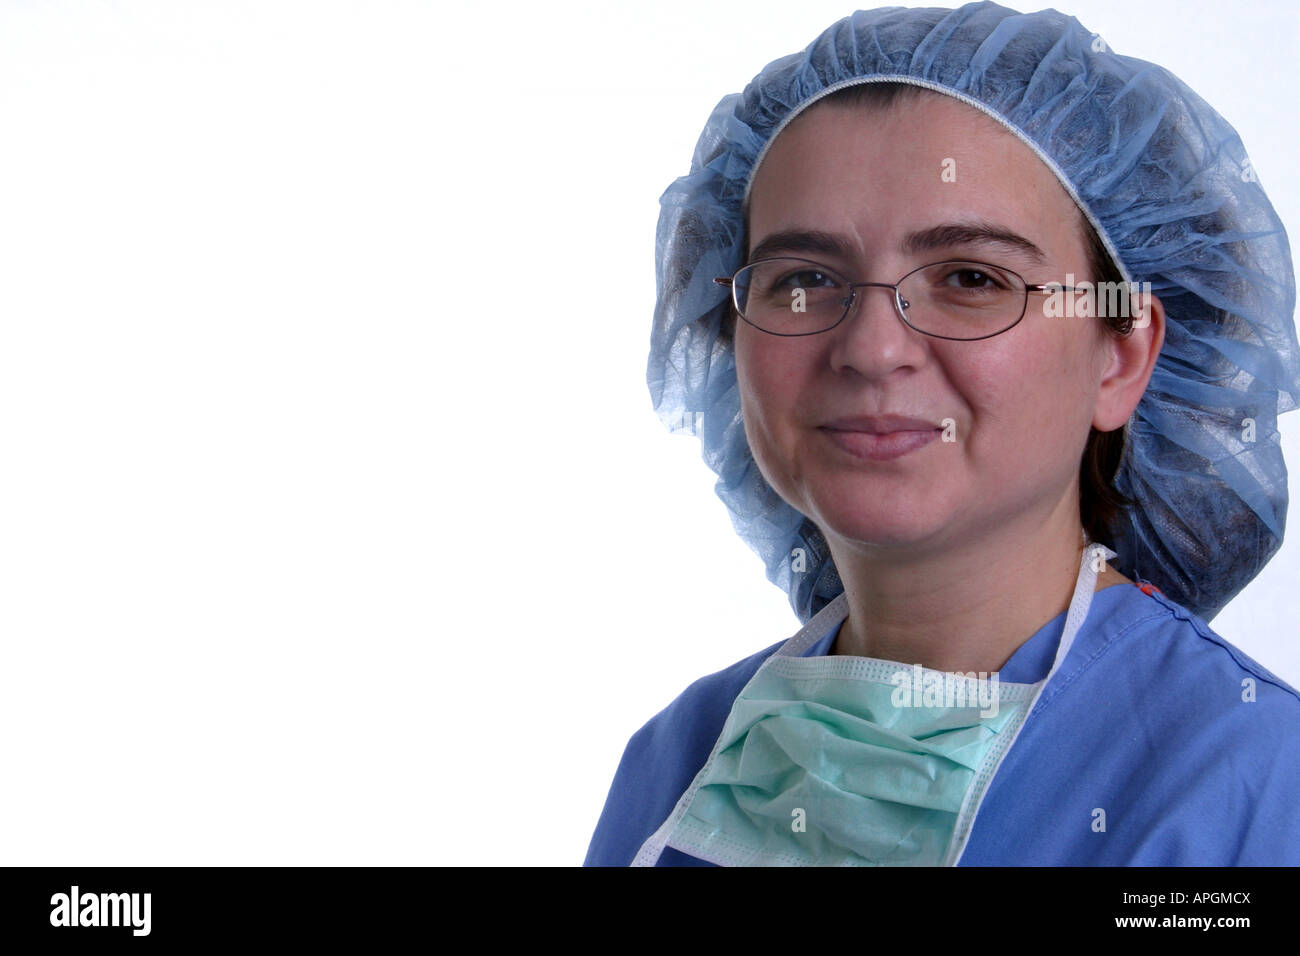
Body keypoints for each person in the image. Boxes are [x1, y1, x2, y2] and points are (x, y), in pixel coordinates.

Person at [585, 2, 1300, 866]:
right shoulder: (678, 759)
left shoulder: (1254, 784)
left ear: (1120, 356)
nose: (872, 348)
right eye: (804, 278)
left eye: (971, 276)